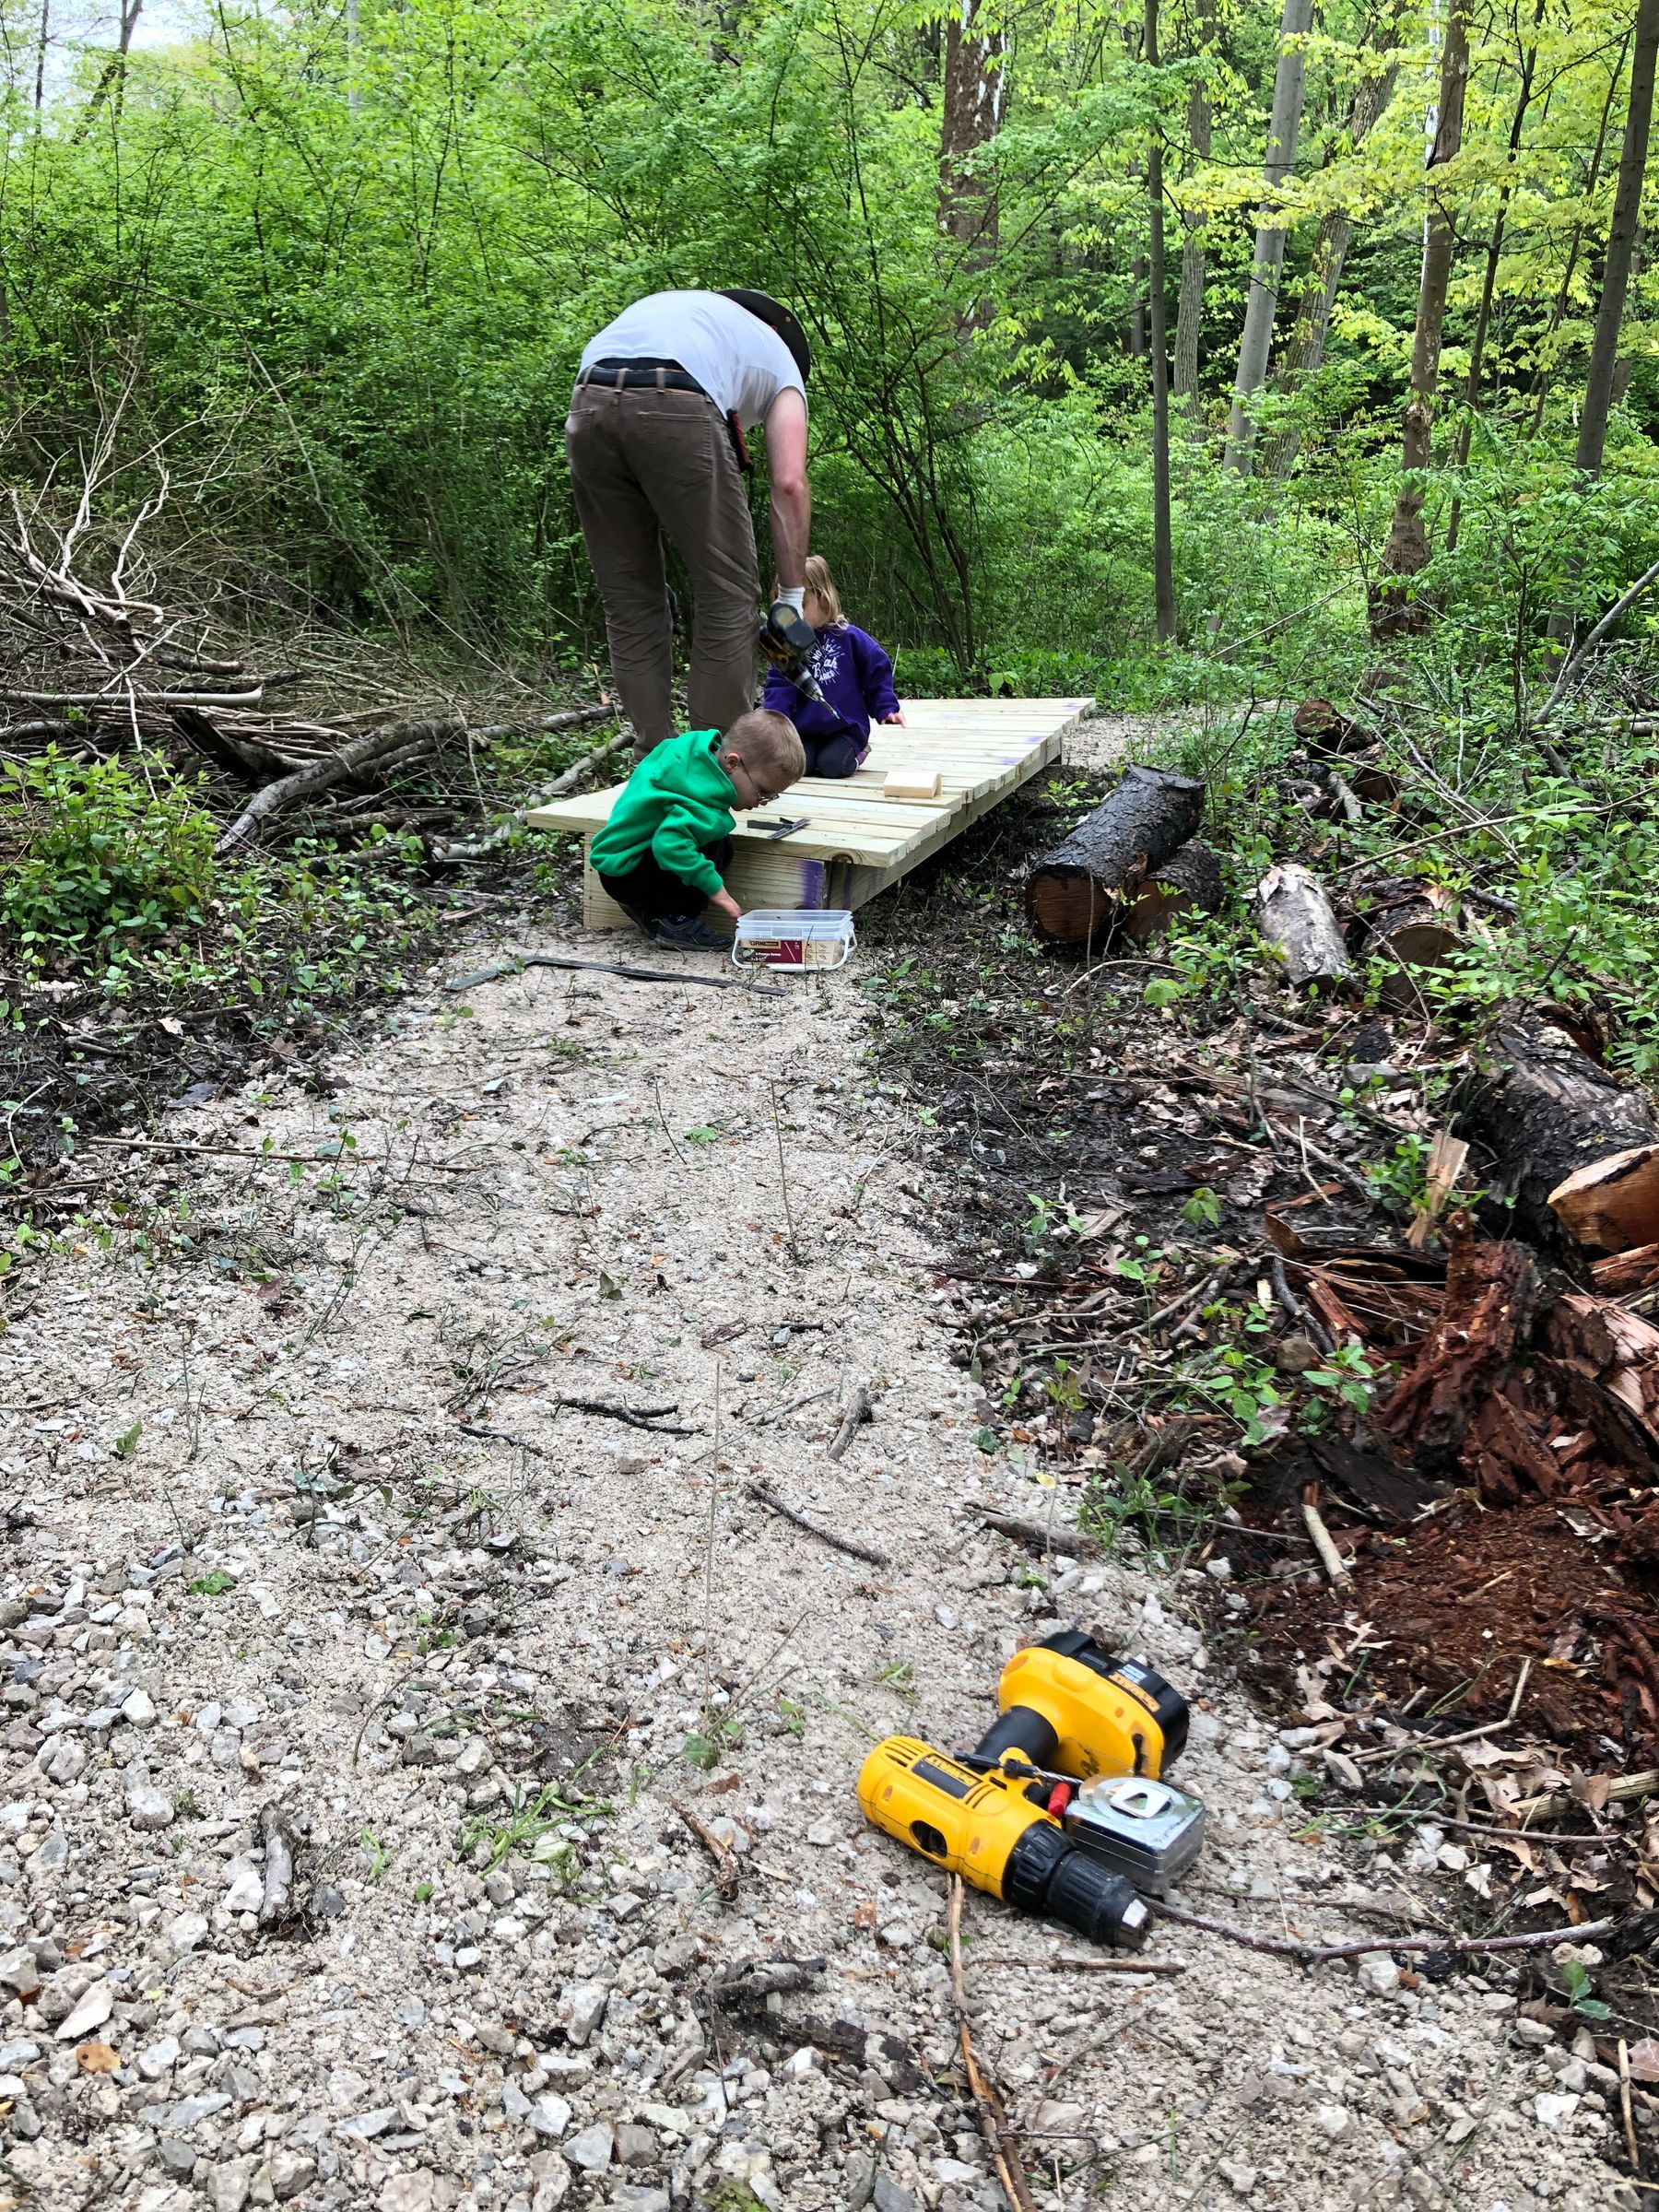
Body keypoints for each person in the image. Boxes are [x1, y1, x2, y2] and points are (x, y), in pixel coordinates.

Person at [566, 288, 813, 756]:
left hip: (588, 402)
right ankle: (709, 767)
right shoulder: (782, 363)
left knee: (630, 601)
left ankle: (654, 762)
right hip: (678, 398)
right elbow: (789, 484)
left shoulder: (688, 315)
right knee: (728, 598)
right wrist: (791, 601)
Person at [590, 708, 806, 951]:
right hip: (629, 873)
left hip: (618, 861)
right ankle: (676, 922)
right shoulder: (702, 805)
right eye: (763, 791)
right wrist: (716, 889)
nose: (762, 801)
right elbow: (669, 845)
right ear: (733, 763)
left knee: (713, 838)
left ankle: (650, 912)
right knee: (715, 844)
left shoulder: (692, 750)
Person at [761, 554, 904, 778]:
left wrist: (886, 707)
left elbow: (876, 667)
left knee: (832, 766)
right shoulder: (786, 644)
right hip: (805, 730)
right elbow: (779, 684)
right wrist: (776, 721)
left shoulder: (850, 637)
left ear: (823, 601)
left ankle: (860, 750)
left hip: (846, 729)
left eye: (799, 606)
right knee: (798, 768)